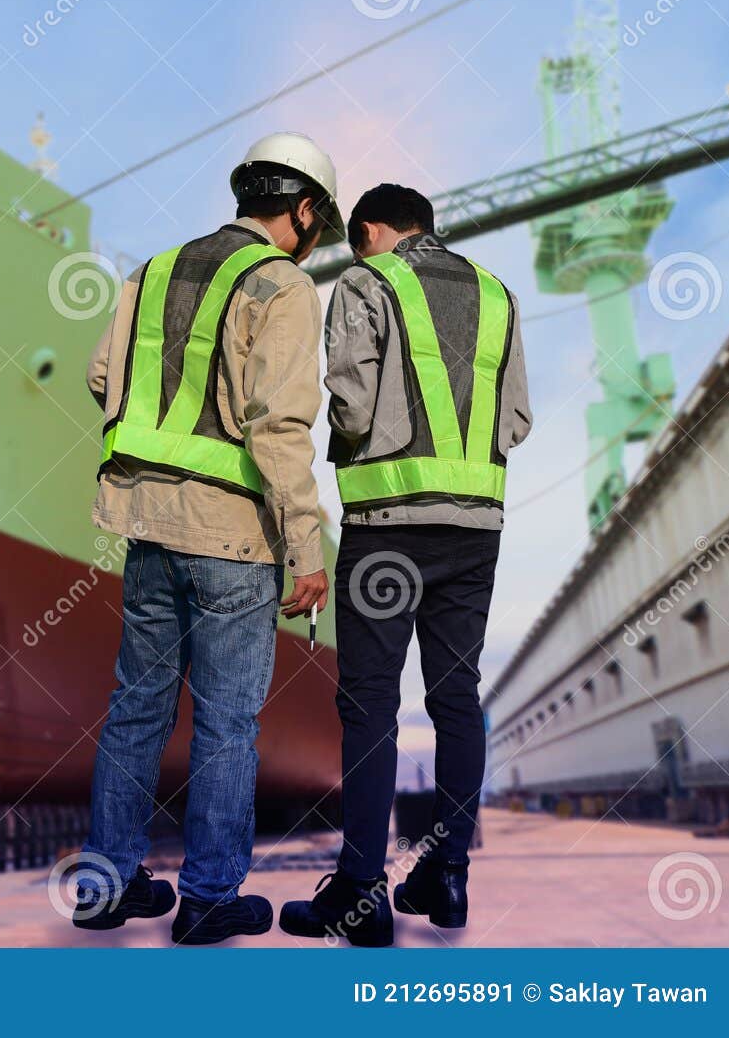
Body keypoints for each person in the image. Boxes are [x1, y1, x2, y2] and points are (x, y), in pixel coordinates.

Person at [74, 133, 337, 945]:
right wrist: (307, 543)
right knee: (227, 720)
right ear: (302, 211)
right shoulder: (283, 283)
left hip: (147, 529)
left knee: (136, 706)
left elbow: (98, 376)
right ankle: (210, 896)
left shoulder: (149, 272)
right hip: (234, 533)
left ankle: (107, 883)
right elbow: (280, 423)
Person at [279, 183, 532, 947]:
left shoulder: (364, 280)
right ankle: (447, 874)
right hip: (476, 528)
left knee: (370, 705)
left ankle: (361, 892)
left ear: (369, 232)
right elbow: (516, 419)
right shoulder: (498, 293)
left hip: (388, 525)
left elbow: (351, 406)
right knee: (457, 697)